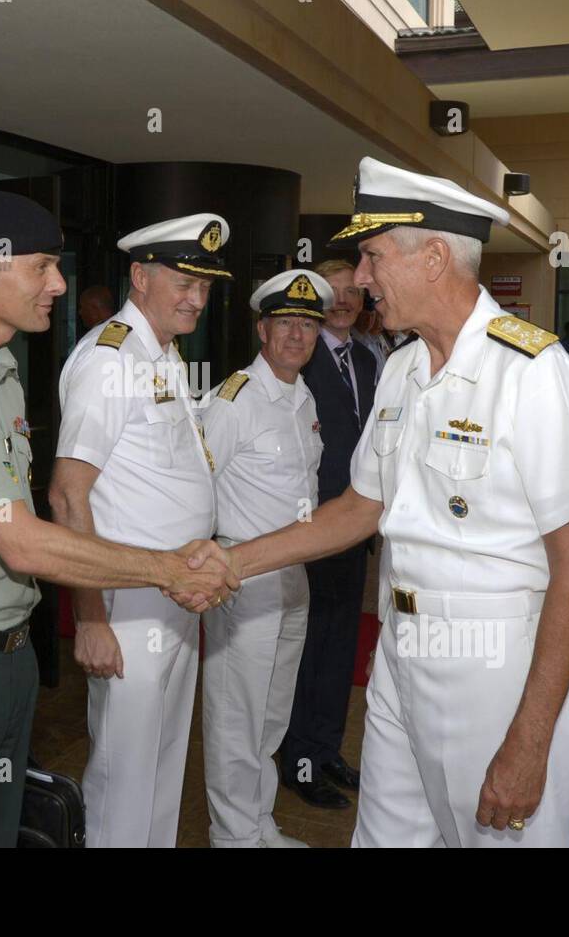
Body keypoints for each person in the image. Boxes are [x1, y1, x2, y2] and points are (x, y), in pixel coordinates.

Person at [188, 155, 569, 847]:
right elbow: (359, 507)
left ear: (435, 257)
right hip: (400, 652)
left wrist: (530, 740)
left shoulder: (534, 375)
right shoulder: (404, 368)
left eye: (373, 258)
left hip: (493, 663)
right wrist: (231, 560)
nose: (359, 279)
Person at [0, 194, 235, 848]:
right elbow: (24, 538)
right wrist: (166, 570)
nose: (60, 284)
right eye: (41, 268)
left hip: (5, 650)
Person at [49, 212, 233, 848]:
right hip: (128, 602)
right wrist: (91, 618)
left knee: (162, 759)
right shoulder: (109, 357)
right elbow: (68, 497)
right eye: (183, 281)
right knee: (124, 774)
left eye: (205, 287)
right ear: (138, 276)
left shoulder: (164, 353)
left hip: (175, 595)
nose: (196, 298)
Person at [200, 269, 332, 848]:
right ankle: (232, 836)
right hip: (243, 577)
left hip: (294, 576)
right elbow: (195, 484)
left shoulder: (304, 397)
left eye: (307, 325)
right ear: (262, 328)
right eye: (286, 324)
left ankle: (257, 822)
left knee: (272, 710)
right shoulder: (233, 400)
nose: (297, 336)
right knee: (236, 714)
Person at [279, 257, 376, 810]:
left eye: (352, 293)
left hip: (353, 527)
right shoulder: (299, 357)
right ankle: (300, 760)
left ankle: (328, 746)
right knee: (308, 647)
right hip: (311, 525)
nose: (343, 302)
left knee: (340, 644)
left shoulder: (366, 359)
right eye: (331, 294)